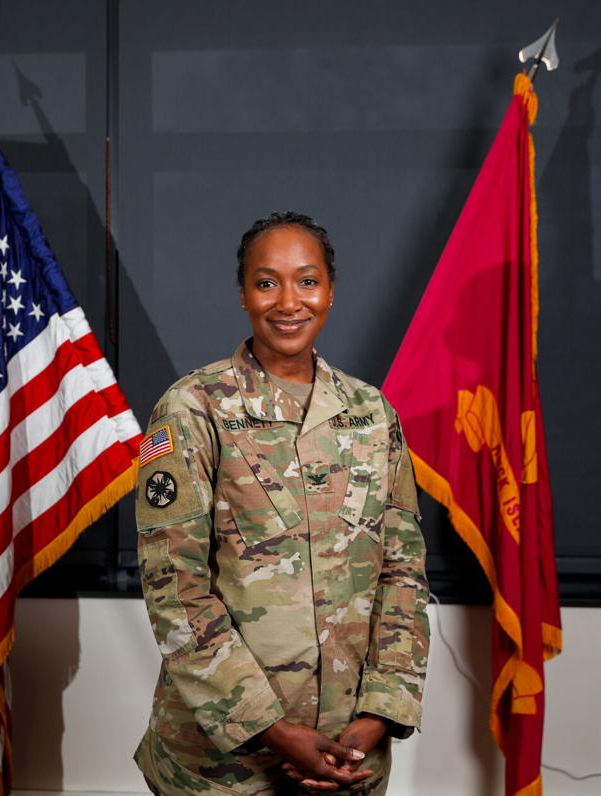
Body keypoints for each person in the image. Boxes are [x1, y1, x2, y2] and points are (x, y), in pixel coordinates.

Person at [134, 211, 429, 795]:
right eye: (267, 282)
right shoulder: (192, 409)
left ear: (331, 291)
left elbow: (404, 572)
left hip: (352, 751)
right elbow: (174, 585)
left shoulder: (372, 413)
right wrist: (270, 729)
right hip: (225, 764)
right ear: (243, 294)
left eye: (307, 280)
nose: (288, 301)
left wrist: (377, 716)